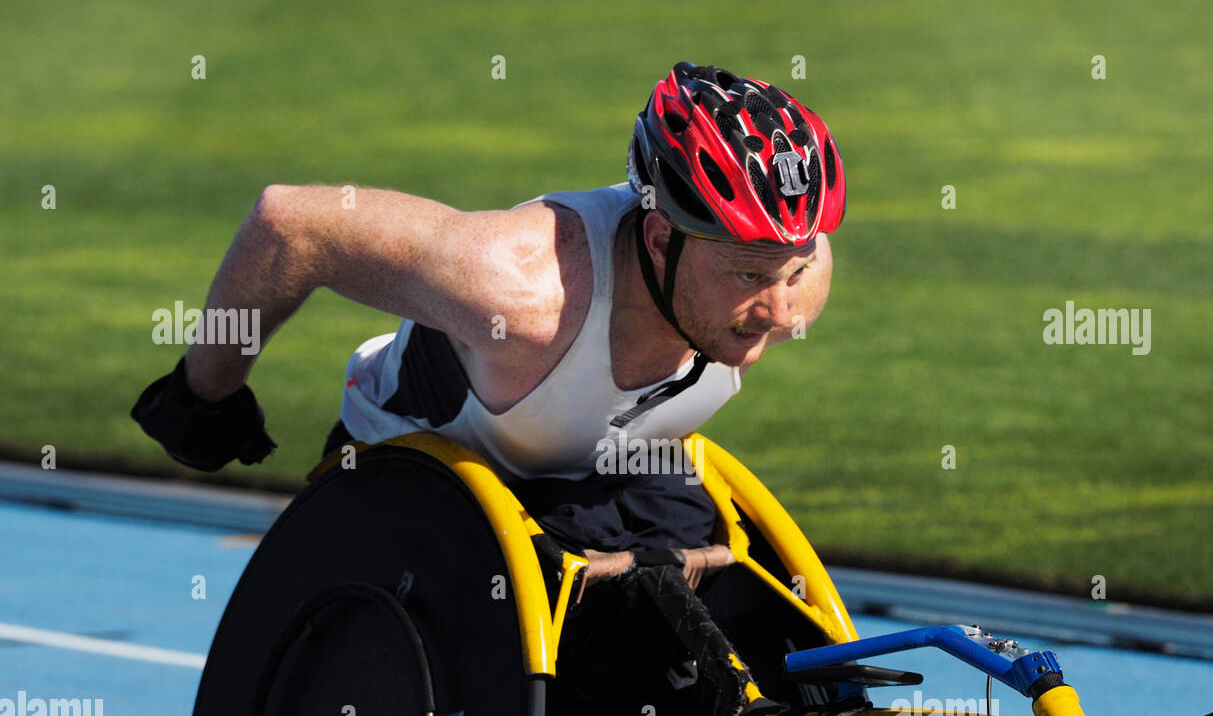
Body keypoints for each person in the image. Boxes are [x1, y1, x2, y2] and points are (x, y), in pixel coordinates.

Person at [132, 62, 844, 583]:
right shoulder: (523, 290)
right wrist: (204, 396)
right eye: (750, 276)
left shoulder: (798, 274)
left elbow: (778, 278)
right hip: (422, 480)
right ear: (661, 240)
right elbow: (290, 225)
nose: (783, 311)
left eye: (794, 270)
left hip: (601, 474)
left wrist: (766, 277)